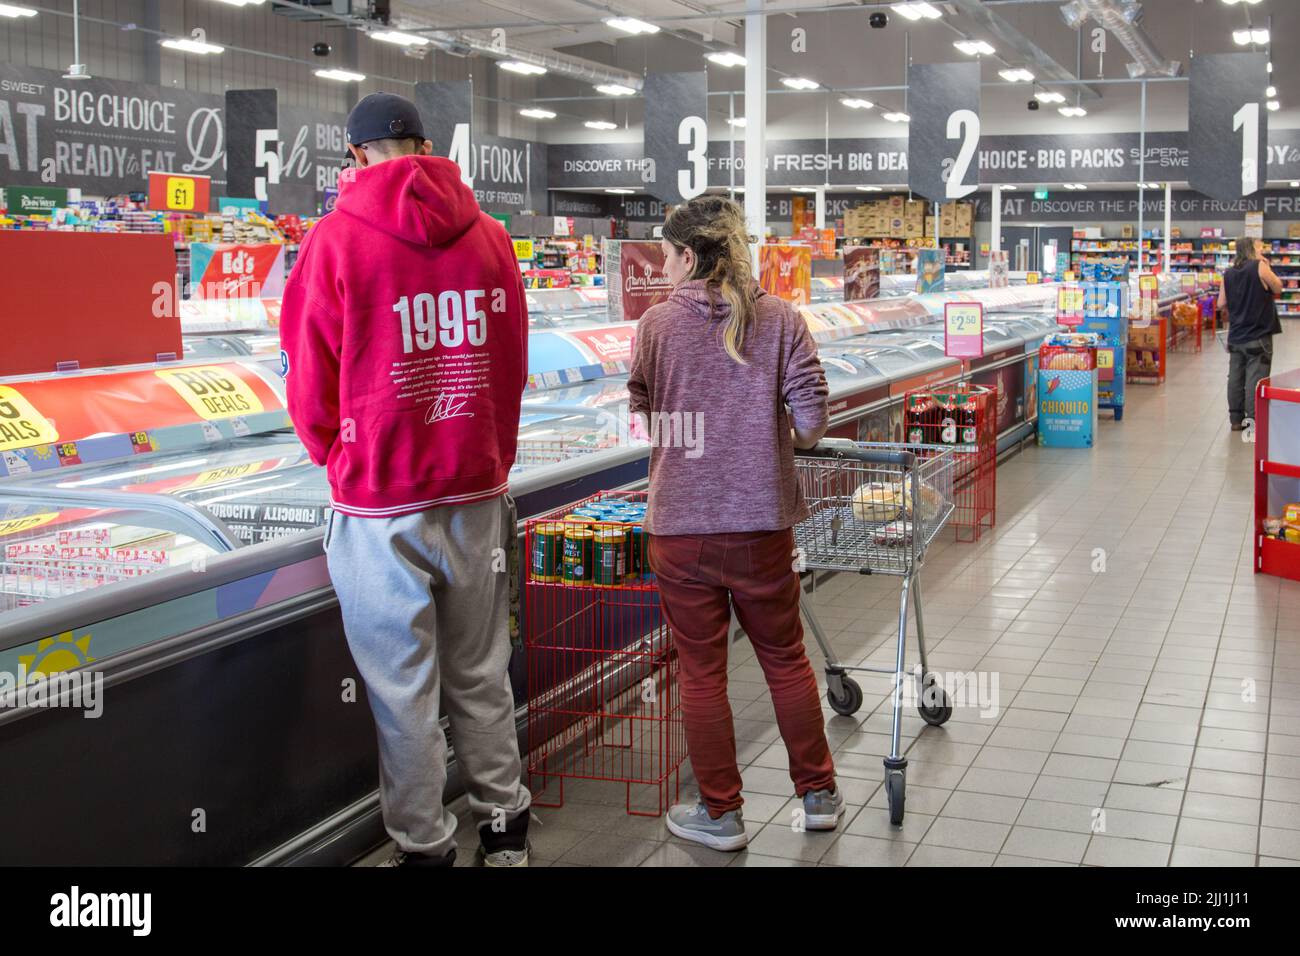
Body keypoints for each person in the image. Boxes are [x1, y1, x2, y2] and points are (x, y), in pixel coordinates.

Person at [280, 92, 532, 868]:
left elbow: (309, 373)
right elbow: (513, 362)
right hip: (474, 489)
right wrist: (490, 450)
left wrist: (336, 452)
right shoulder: (490, 238)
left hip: (380, 501)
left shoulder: (334, 240)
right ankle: (506, 823)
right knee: (482, 672)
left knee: (401, 692)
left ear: (355, 156)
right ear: (425, 144)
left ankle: (426, 845)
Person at [627, 196, 840, 852]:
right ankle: (819, 794)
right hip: (760, 528)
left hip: (682, 529)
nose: (662, 265)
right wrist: (761, 431)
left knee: (701, 671)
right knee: (784, 657)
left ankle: (722, 815)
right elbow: (811, 424)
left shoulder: (657, 325)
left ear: (689, 256)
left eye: (666, 253)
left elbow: (642, 410)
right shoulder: (780, 319)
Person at [1219, 236, 1283, 431]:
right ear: (1251, 250)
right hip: (1258, 335)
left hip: (1236, 336)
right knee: (1255, 379)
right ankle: (1253, 422)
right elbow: (1278, 287)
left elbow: (1220, 303)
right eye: (1258, 248)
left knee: (1236, 378)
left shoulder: (1228, 273)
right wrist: (1267, 266)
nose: (1261, 251)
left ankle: (1236, 421)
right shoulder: (1259, 266)